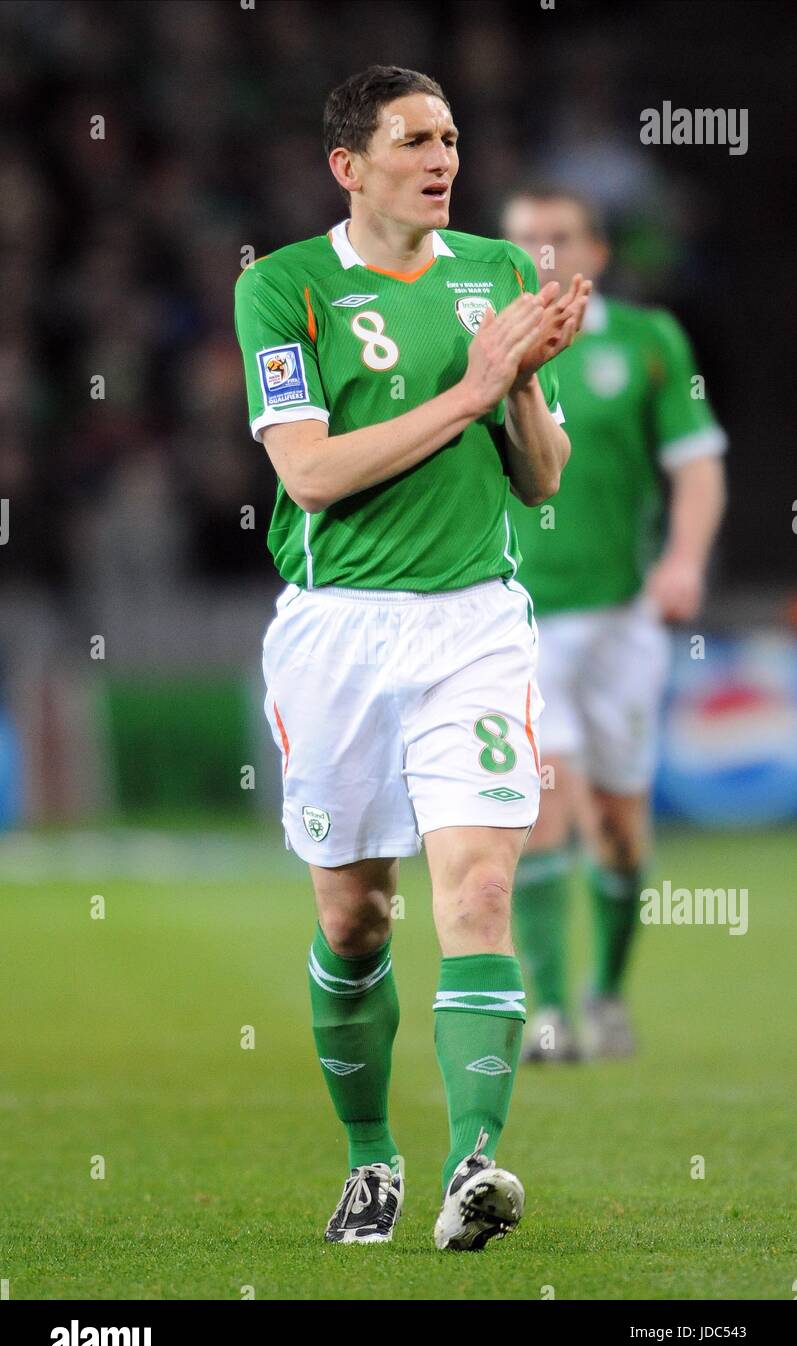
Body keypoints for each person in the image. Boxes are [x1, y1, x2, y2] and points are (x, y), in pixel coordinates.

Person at [234, 68, 590, 1249]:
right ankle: (369, 1159)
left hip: (473, 624)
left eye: (449, 137)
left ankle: (470, 1165)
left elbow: (537, 477)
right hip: (338, 632)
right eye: (412, 141)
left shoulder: (499, 272)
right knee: (356, 921)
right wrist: (476, 384)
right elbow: (310, 475)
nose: (441, 158)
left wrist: (522, 384)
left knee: (479, 890)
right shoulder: (283, 289)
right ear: (350, 165)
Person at [501, 188, 726, 1062]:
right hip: (516, 614)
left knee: (620, 829)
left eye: (556, 237)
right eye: (524, 239)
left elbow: (696, 464)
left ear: (592, 248)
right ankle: (549, 1010)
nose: (540, 253)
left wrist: (682, 561)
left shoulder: (646, 341)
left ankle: (607, 994)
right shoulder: (482, 344)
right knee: (547, 799)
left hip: (623, 618)